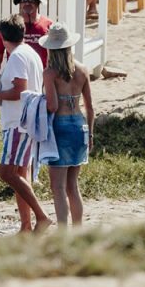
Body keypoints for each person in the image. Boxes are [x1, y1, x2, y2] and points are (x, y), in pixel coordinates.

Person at [0, 16, 50, 234]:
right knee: (20, 173)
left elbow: (19, 90)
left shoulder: (17, 57)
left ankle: (42, 215)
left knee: (6, 172)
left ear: (2, 35)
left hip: (18, 122)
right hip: (27, 120)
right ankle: (26, 225)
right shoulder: (30, 53)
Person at [41, 23, 93, 227]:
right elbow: (90, 107)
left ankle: (63, 232)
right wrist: (90, 135)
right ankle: (78, 230)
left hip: (60, 127)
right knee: (73, 185)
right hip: (80, 125)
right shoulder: (82, 70)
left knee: (58, 187)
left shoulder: (50, 73)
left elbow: (52, 106)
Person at [0, 0, 52, 81]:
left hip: (41, 79)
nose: (27, 3)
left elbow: (54, 57)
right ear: (19, 3)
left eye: (31, 0)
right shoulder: (8, 25)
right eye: (24, 0)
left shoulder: (48, 25)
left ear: (38, 3)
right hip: (15, 78)